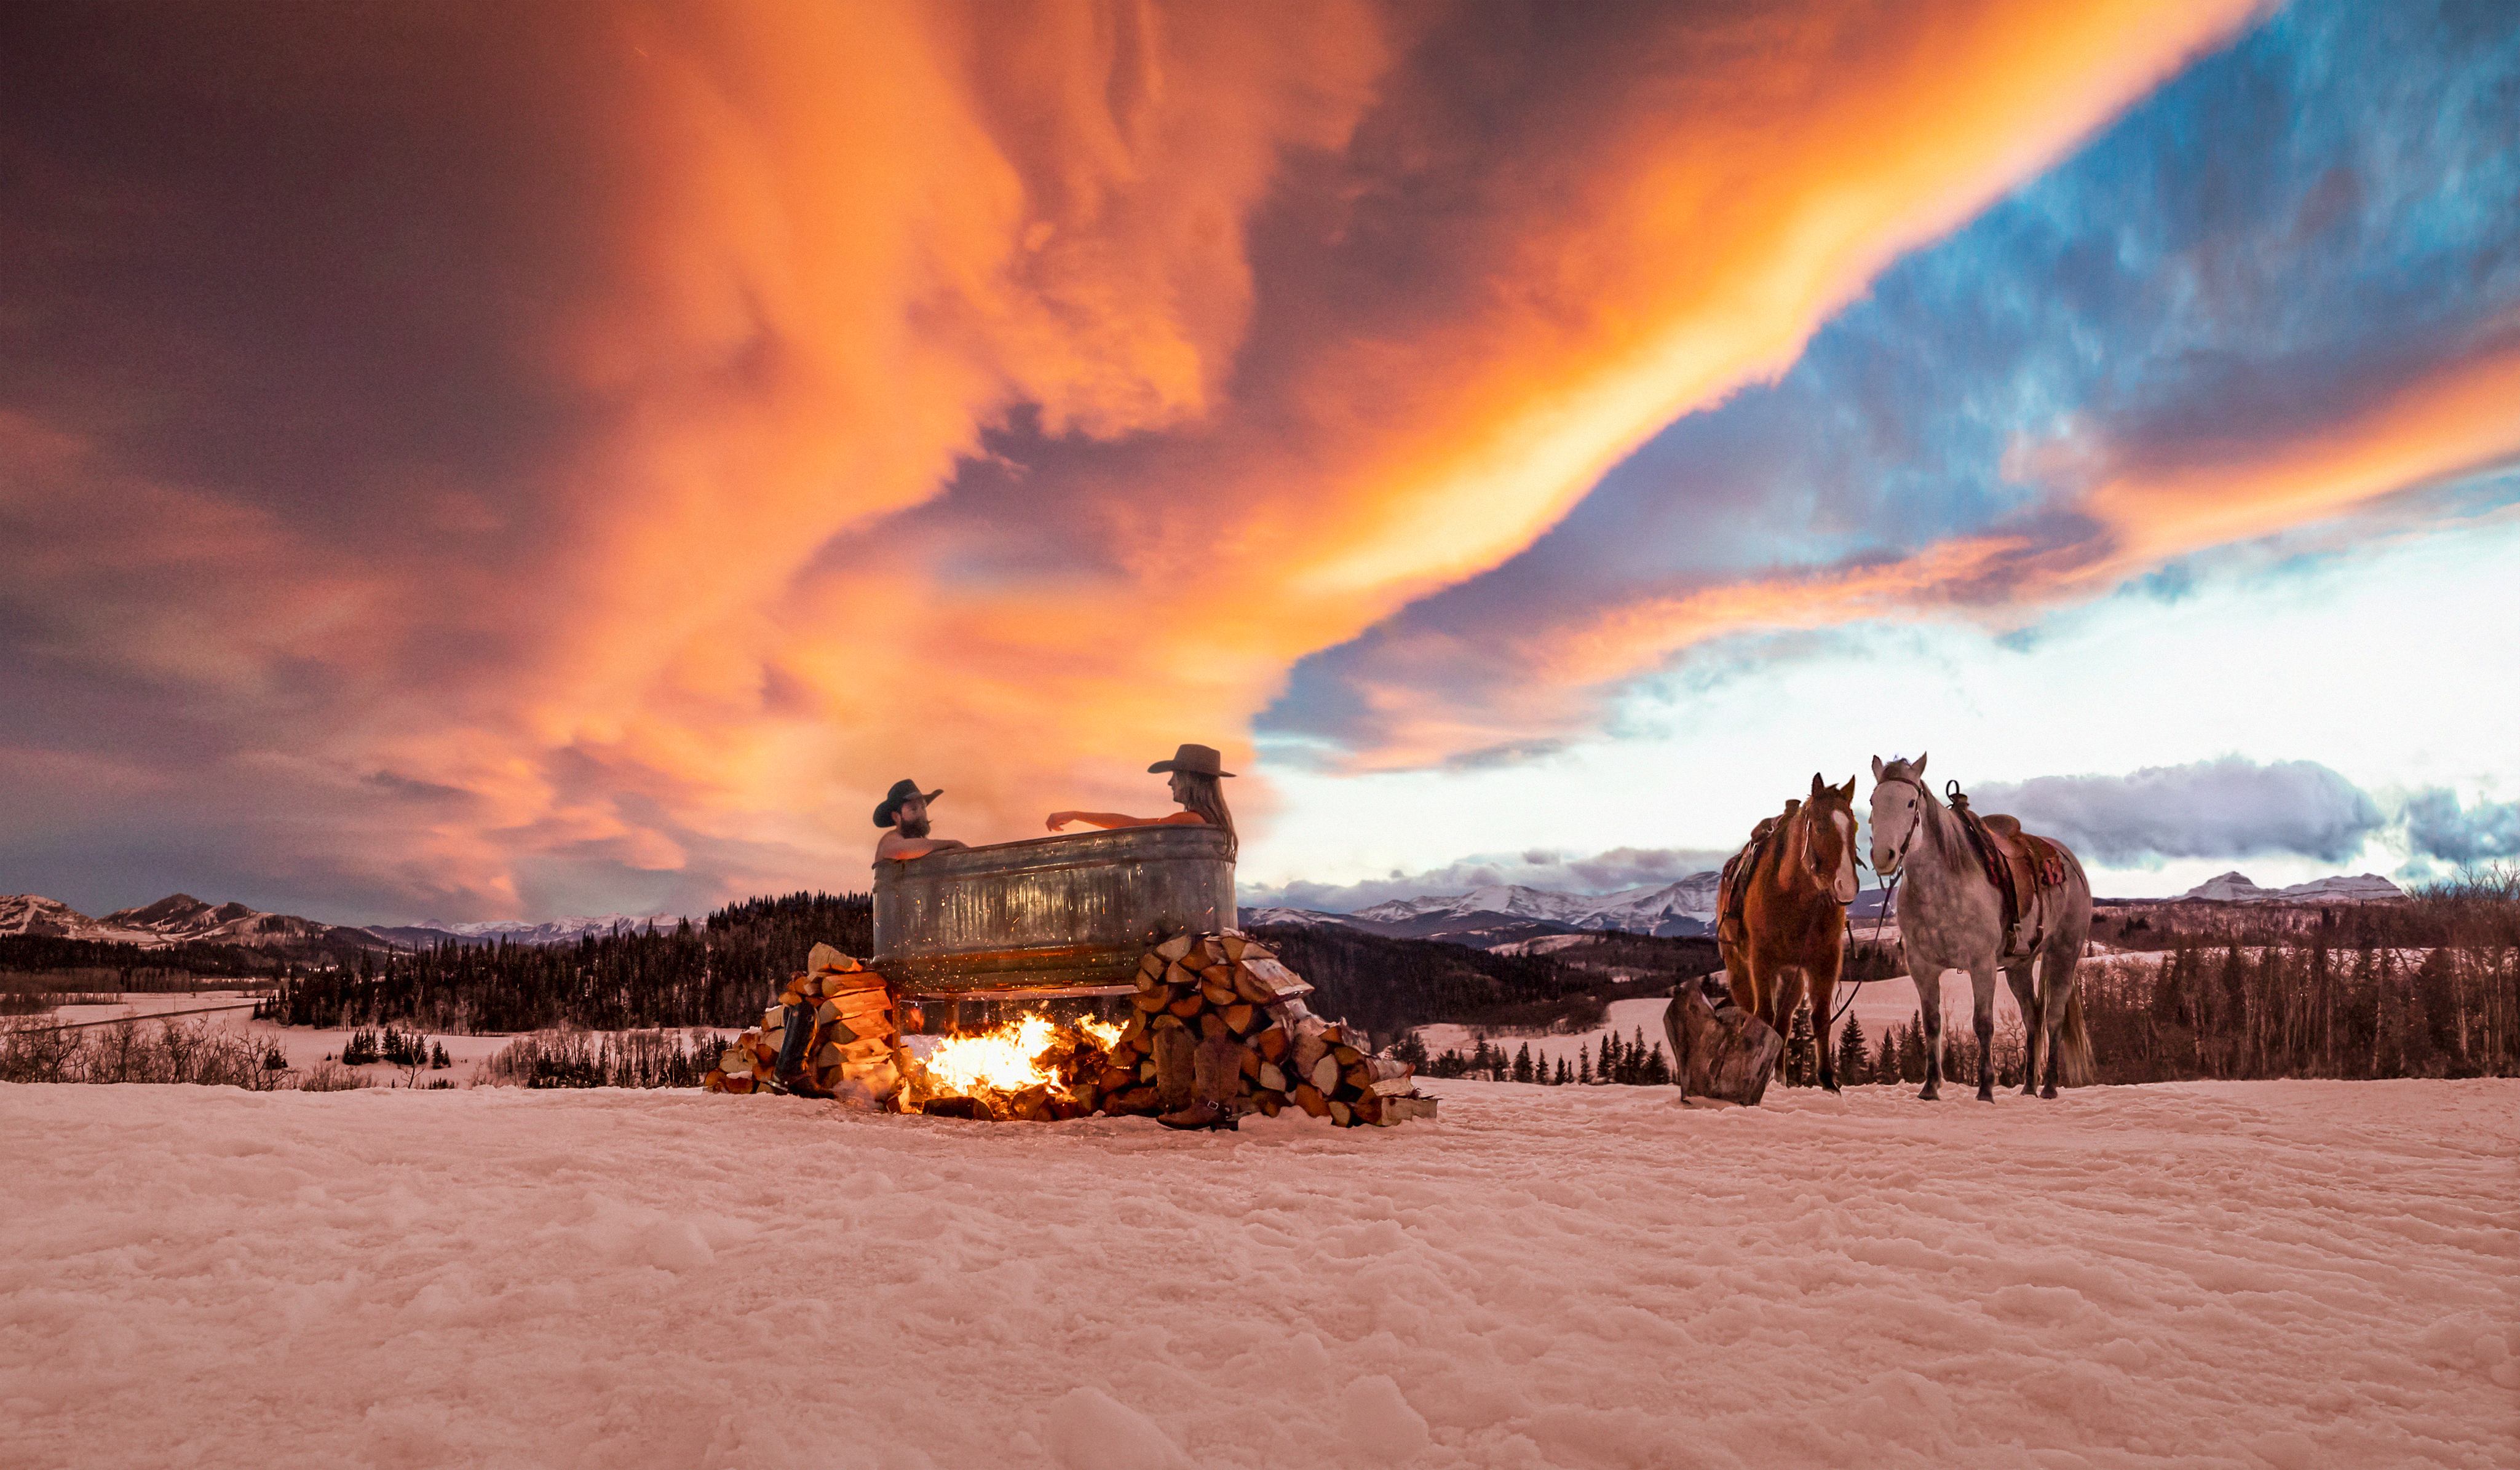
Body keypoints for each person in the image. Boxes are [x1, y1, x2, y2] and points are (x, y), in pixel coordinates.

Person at [1044, 743, 1237, 856]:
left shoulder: (1191, 821)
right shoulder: (1213, 822)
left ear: (1190, 781)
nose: (1170, 783)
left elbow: (1133, 826)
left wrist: (1077, 815)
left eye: (1175, 777)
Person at [874, 779, 967, 862]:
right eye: (913, 809)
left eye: (923, 807)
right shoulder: (890, 839)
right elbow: (901, 851)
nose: (921, 813)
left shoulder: (924, 846)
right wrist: (952, 844)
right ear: (896, 817)